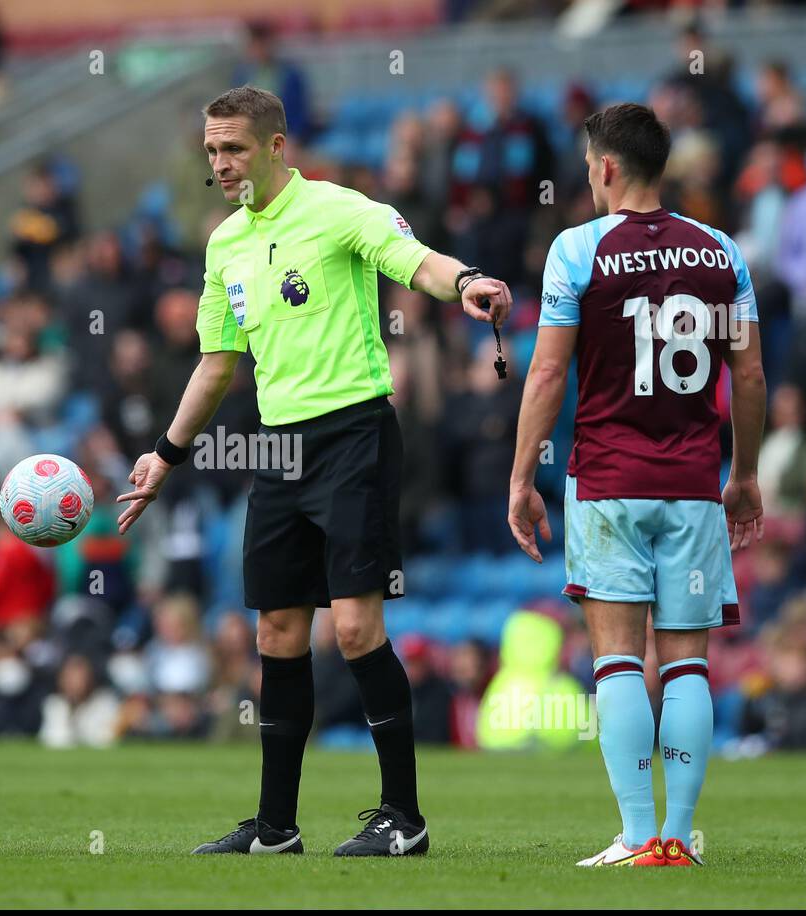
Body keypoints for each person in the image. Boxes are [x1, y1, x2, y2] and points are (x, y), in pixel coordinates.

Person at [115, 85, 512, 857]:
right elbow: (217, 364)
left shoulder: (339, 209)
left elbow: (415, 259)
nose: (221, 164)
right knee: (278, 631)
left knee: (357, 628)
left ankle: (405, 817)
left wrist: (465, 282)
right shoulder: (224, 243)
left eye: (233, 149)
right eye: (211, 152)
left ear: (275, 147)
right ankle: (275, 829)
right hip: (278, 447)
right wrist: (164, 454)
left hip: (354, 434)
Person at [507, 103, 766, 867]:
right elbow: (747, 373)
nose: (588, 178)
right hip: (691, 483)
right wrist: (743, 473)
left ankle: (634, 834)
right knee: (686, 660)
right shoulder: (722, 252)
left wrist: (523, 477)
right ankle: (678, 840)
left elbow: (550, 369)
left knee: (618, 659)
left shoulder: (576, 249)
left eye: (590, 167)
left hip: (610, 483)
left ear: (608, 167)